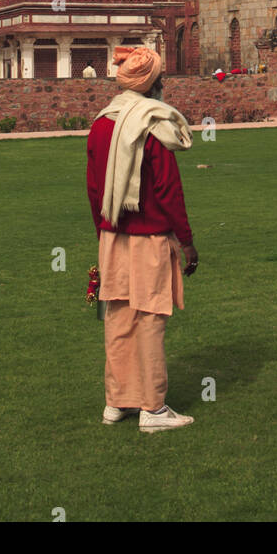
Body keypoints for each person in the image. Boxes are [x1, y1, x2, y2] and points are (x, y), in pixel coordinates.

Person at [86, 45, 198, 433]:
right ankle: (152, 407)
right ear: (152, 84)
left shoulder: (103, 123)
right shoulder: (152, 124)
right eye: (160, 79)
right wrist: (187, 241)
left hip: (113, 235)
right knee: (149, 319)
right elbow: (168, 190)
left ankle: (116, 402)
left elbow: (93, 187)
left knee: (118, 318)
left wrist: (103, 233)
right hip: (149, 236)